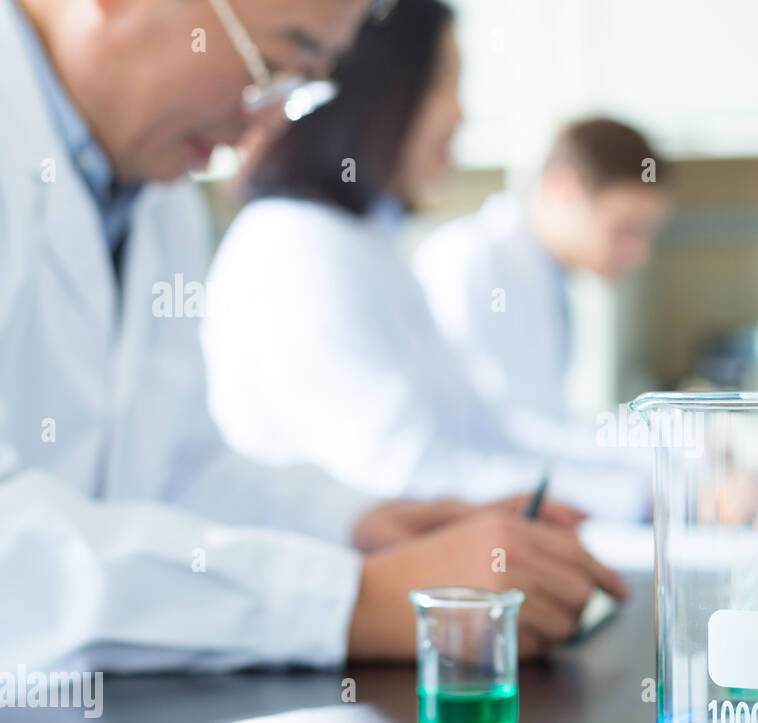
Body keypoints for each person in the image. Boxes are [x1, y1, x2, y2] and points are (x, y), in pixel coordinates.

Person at [0, 0, 625, 673]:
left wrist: (359, 527)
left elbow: (174, 472)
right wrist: (356, 601)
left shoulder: (162, 198)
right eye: (272, 59)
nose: (271, 117)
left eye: (305, 80)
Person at [202, 1, 657, 520]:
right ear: (376, 89)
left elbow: (485, 434)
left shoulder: (367, 241)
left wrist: (650, 477)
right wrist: (636, 497)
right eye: (444, 82)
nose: (461, 113)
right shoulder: (296, 245)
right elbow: (407, 473)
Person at [413, 118, 670, 433]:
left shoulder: (546, 277)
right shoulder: (473, 261)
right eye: (626, 229)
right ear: (563, 189)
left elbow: (546, 424)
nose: (640, 253)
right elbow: (506, 432)